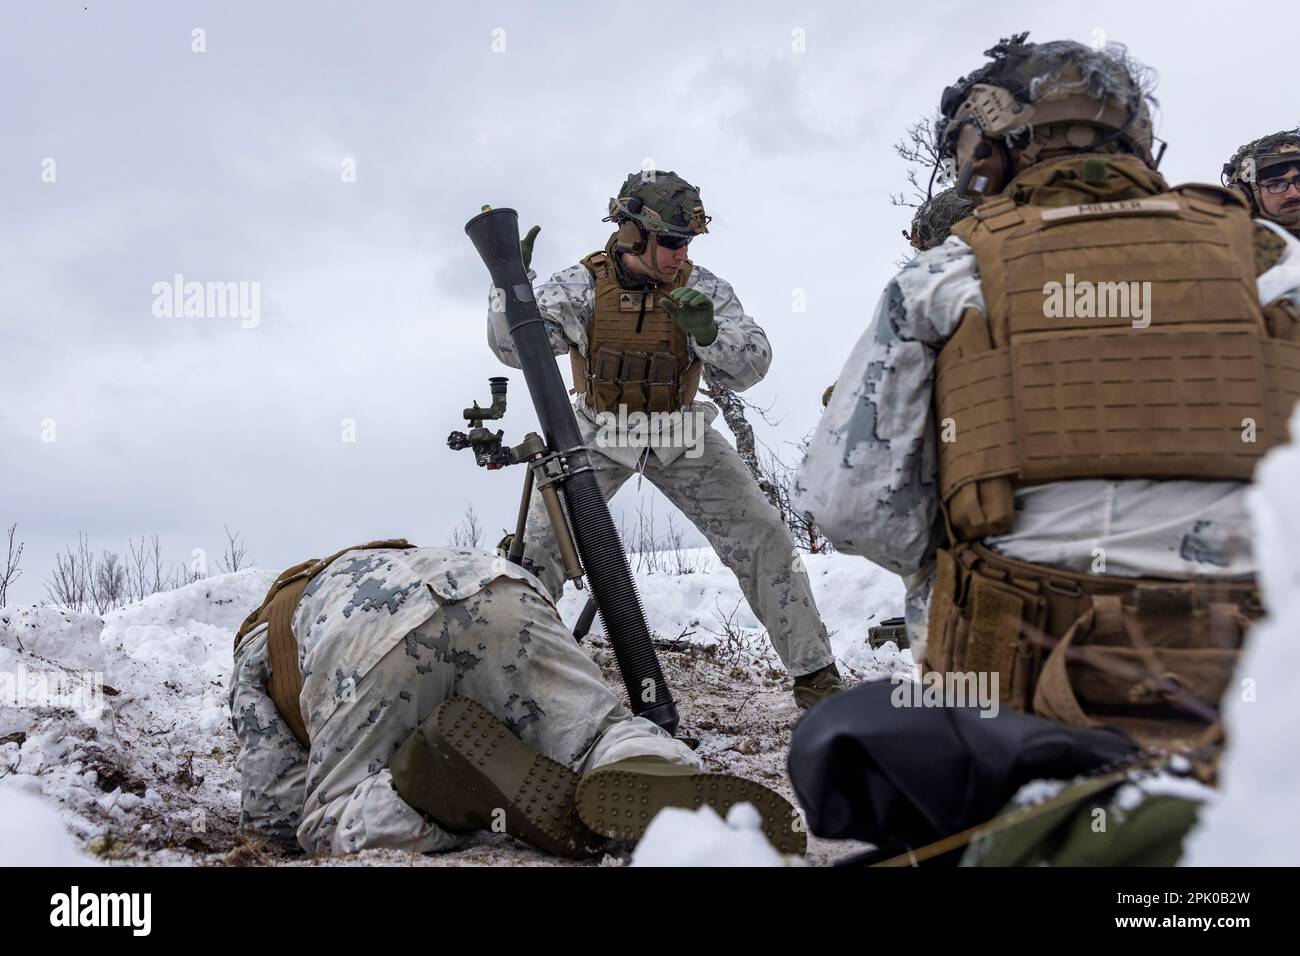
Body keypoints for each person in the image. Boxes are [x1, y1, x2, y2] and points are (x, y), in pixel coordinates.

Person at [796, 33, 1300, 746]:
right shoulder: (1275, 265)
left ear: (994, 150)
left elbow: (846, 506)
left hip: (1016, 683)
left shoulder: (946, 275)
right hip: (1257, 685)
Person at [487, 170, 842, 709]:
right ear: (633, 233)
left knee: (764, 535)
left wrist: (708, 333)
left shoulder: (704, 288)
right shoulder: (582, 284)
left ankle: (816, 676)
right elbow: (514, 350)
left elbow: (753, 367)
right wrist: (508, 284)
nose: (680, 254)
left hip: (680, 431)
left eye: (687, 242)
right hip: (596, 433)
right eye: (671, 241)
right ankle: (508, 679)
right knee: (534, 553)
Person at [228, 541, 805, 857]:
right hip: (494, 585)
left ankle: (432, 783)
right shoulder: (374, 558)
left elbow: (272, 813)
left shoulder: (258, 641)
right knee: (593, 729)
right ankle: (640, 763)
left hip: (369, 635)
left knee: (326, 823)